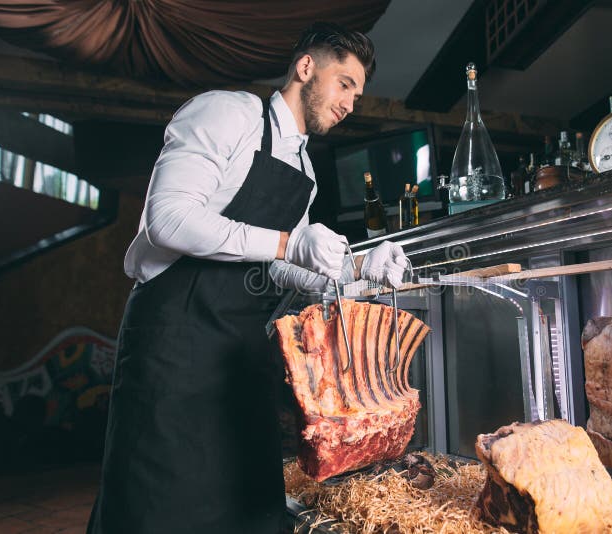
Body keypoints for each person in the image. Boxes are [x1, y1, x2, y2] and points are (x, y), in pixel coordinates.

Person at [87, 22, 408, 534]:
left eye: (358, 93)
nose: (352, 104)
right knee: (156, 502)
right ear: (306, 68)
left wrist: (359, 266)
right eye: (344, 83)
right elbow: (168, 219)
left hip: (238, 352)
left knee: (248, 501)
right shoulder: (225, 114)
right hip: (172, 344)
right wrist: (288, 242)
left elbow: (283, 265)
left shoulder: (305, 169)